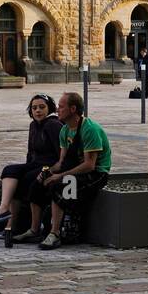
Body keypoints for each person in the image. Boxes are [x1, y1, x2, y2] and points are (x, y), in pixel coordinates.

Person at [12, 91, 112, 249]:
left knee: (60, 186)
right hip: (74, 170)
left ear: (73, 109)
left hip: (96, 174)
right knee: (37, 184)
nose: (57, 109)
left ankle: (55, 233)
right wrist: (48, 172)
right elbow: (61, 162)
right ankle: (34, 230)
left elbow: (89, 165)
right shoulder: (65, 130)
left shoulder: (89, 129)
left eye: (61, 106)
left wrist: (59, 176)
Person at [0, 94, 63, 228]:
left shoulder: (53, 124)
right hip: (35, 164)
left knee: (25, 179)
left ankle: (13, 226)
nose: (37, 111)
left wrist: (54, 170)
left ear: (49, 108)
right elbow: (30, 152)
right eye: (34, 108)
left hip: (49, 165)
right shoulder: (33, 125)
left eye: (41, 107)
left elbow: (61, 154)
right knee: (9, 170)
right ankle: (3, 210)